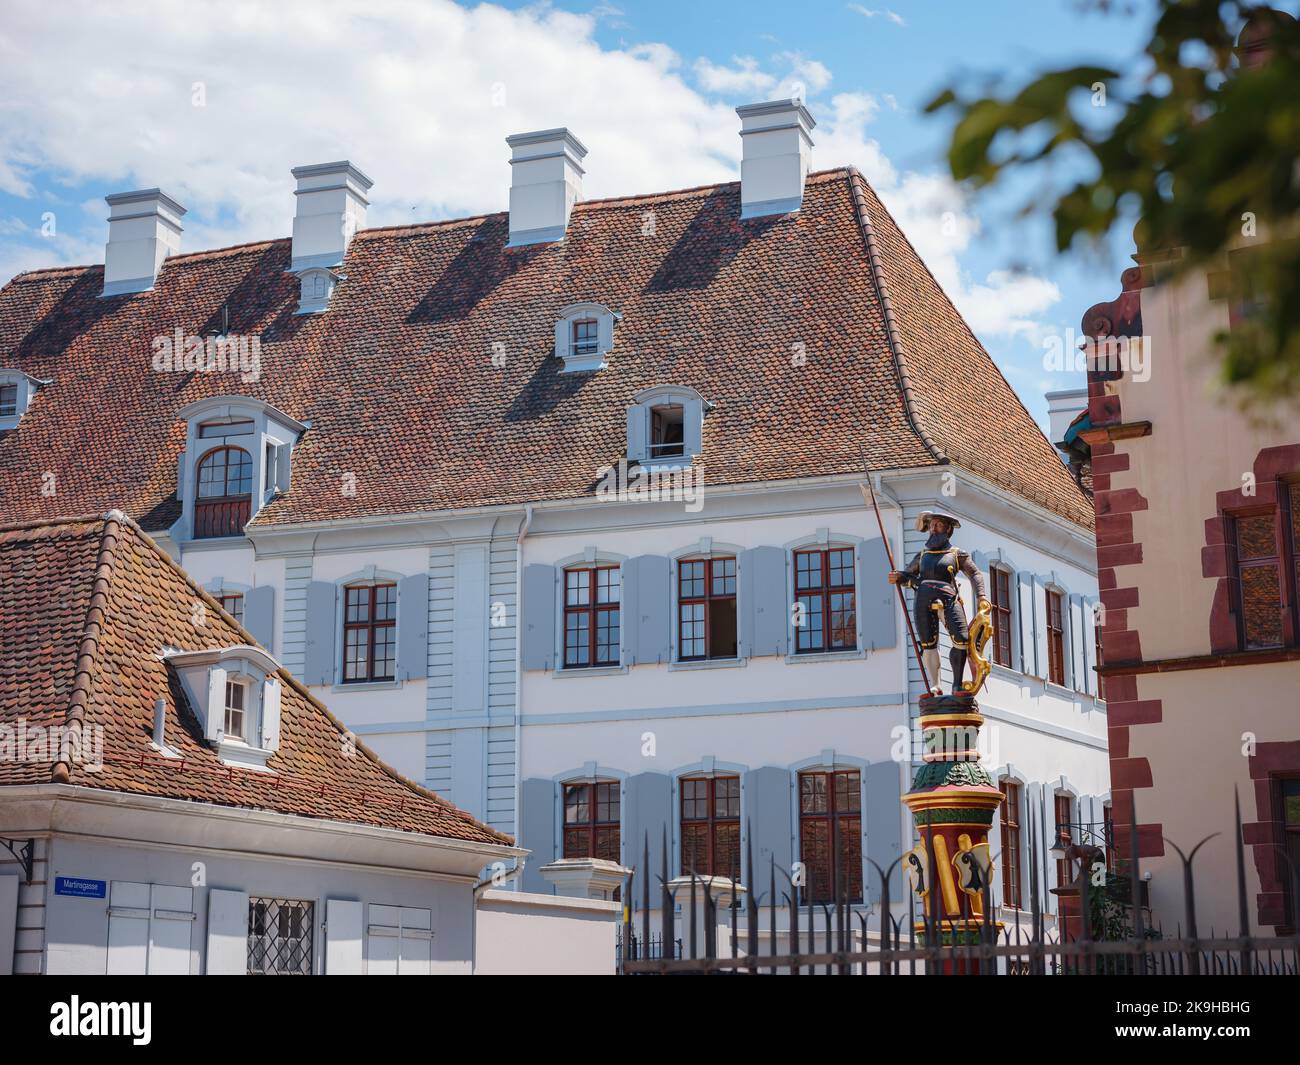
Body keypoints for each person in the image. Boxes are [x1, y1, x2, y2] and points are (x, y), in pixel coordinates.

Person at [888, 511, 988, 696]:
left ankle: (957, 684)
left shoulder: (957, 554)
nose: (933, 529)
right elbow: (909, 574)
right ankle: (936, 685)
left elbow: (974, 574)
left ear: (948, 529)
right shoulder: (923, 554)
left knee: (962, 639)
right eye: (931, 525)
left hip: (948, 598)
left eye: (938, 525)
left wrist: (981, 595)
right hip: (923, 598)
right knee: (928, 643)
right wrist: (899, 576)